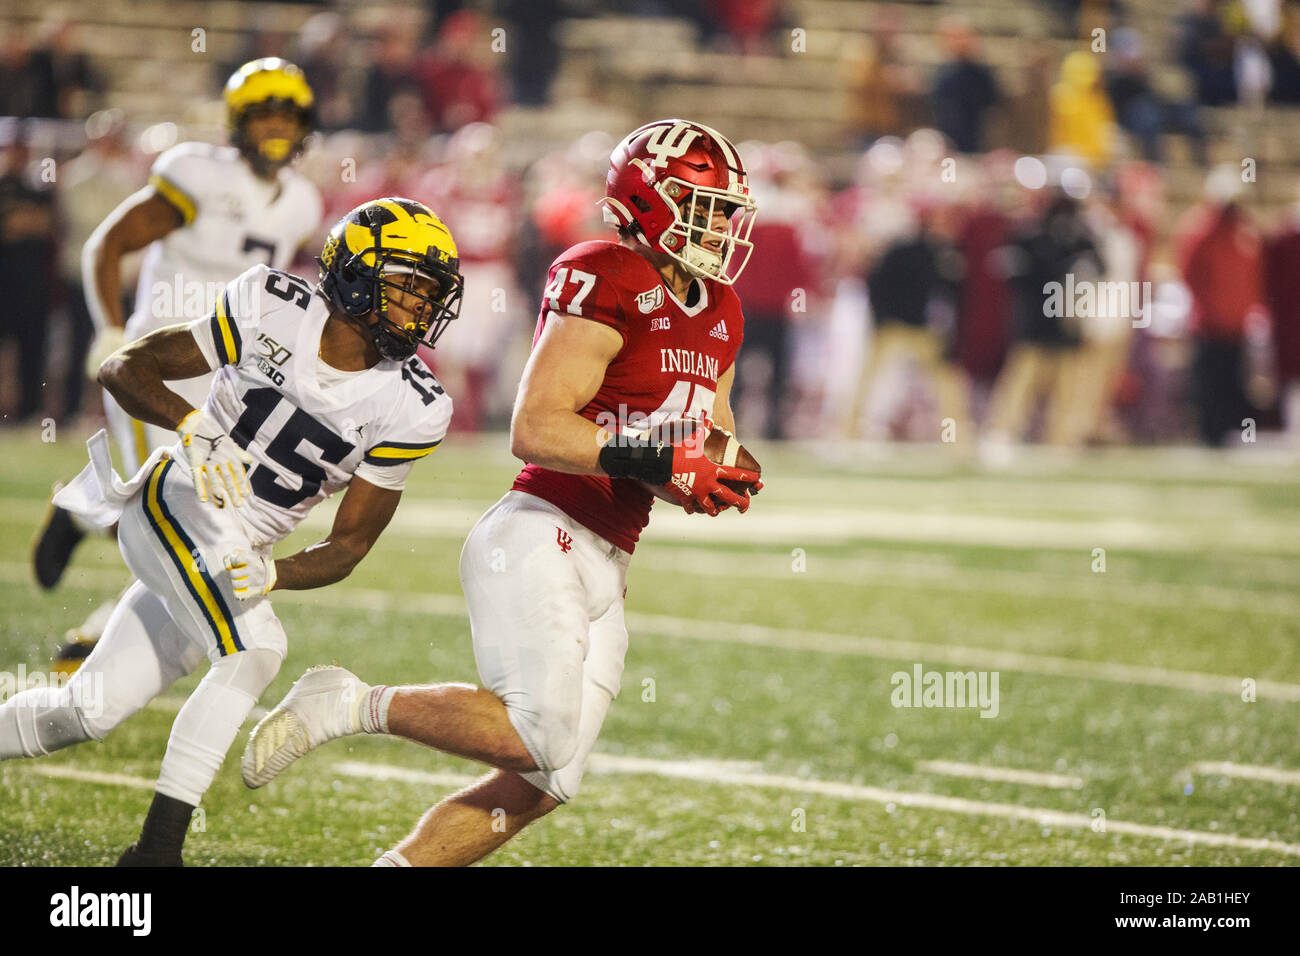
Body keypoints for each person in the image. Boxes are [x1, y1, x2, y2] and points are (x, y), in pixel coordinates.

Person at [242, 119, 762, 867]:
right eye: (701, 205)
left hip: (610, 556)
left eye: (723, 211)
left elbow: (700, 445)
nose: (717, 226)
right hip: (540, 529)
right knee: (538, 734)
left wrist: (718, 472)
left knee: (548, 778)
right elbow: (538, 428)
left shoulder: (722, 310)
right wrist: (667, 456)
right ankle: (350, 702)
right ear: (647, 201)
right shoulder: (603, 272)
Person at [0, 198, 463, 866]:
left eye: (430, 293)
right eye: (408, 285)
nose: (420, 307)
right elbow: (122, 367)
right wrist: (193, 425)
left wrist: (278, 572)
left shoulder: (414, 405)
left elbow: (351, 544)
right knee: (256, 649)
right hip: (175, 499)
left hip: (236, 552)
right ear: (357, 274)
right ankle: (157, 854)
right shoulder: (271, 305)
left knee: (84, 712)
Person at [32, 58, 324, 672]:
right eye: (264, 113)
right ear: (239, 122)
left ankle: (85, 524)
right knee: (164, 510)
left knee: (209, 515)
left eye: (287, 114)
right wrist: (111, 330)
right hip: (155, 366)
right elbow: (107, 245)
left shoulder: (303, 201)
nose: (276, 126)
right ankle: (91, 583)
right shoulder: (197, 174)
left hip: (230, 377)